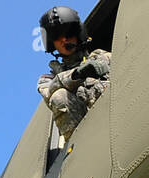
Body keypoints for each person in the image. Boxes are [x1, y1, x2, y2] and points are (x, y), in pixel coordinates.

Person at [37, 6, 112, 142]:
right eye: (56, 36)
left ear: (78, 34)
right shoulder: (48, 79)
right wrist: (76, 75)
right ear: (51, 43)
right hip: (86, 135)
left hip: (111, 114)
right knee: (59, 96)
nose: (64, 40)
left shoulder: (100, 56)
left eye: (69, 33)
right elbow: (49, 94)